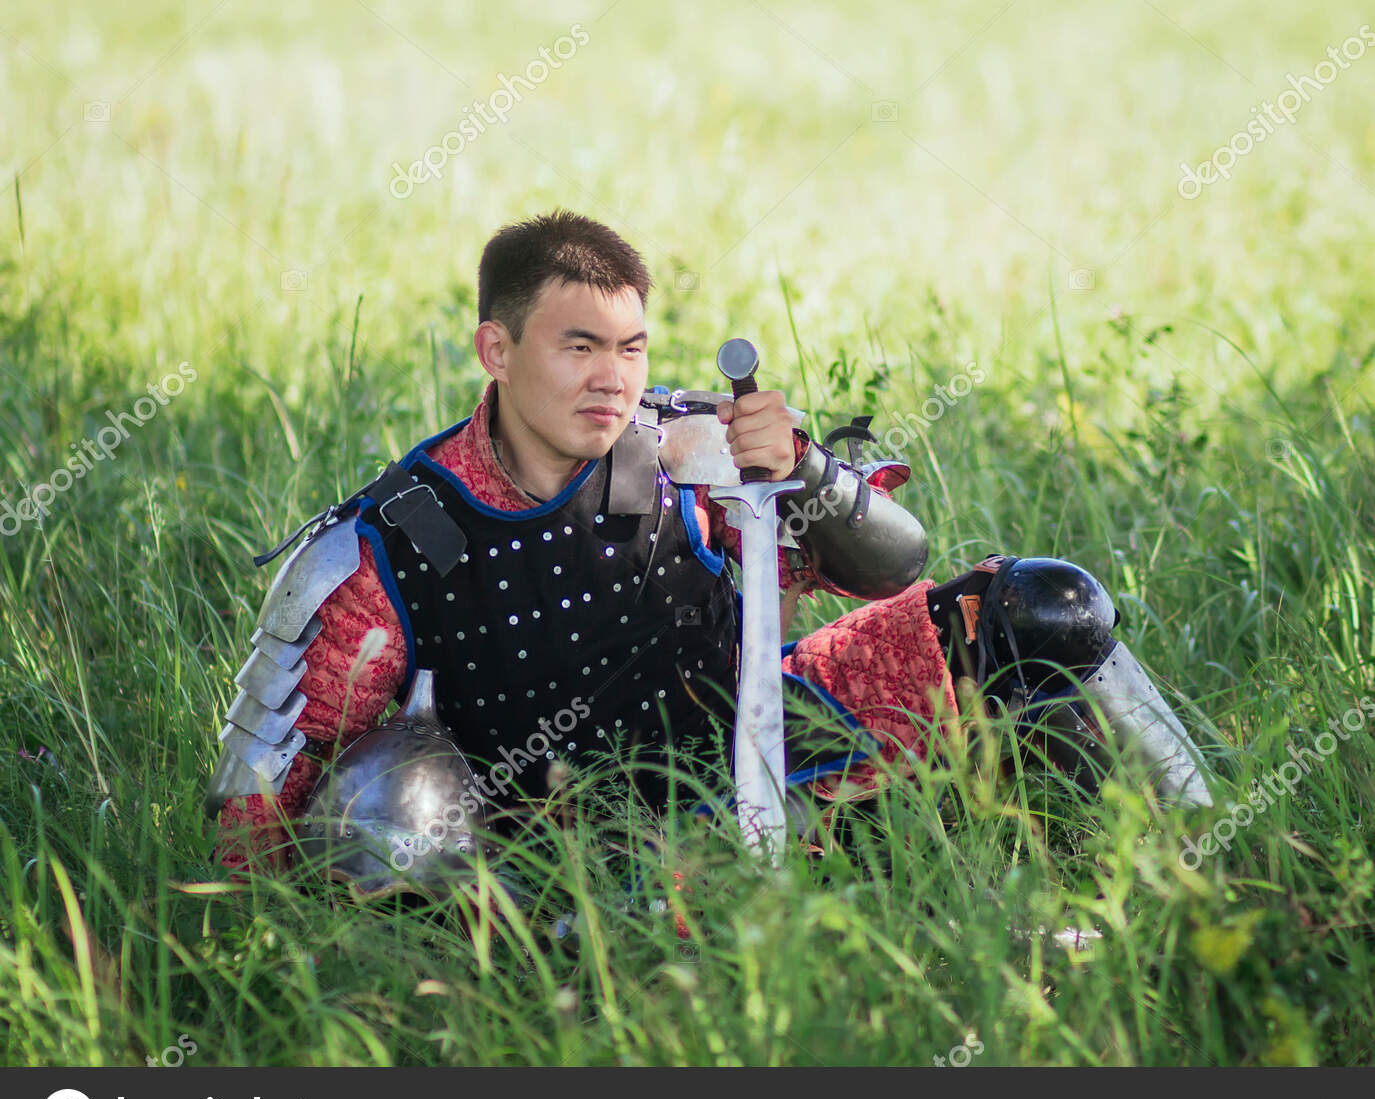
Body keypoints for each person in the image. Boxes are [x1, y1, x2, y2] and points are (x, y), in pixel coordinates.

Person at [206, 210, 1210, 881]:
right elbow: (257, 820)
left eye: (631, 346)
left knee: (1041, 609)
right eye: (579, 346)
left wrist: (801, 473)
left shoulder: (693, 452)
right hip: (572, 867)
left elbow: (894, 565)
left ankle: (1190, 872)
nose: (614, 378)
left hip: (767, 762)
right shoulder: (381, 550)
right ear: (496, 350)